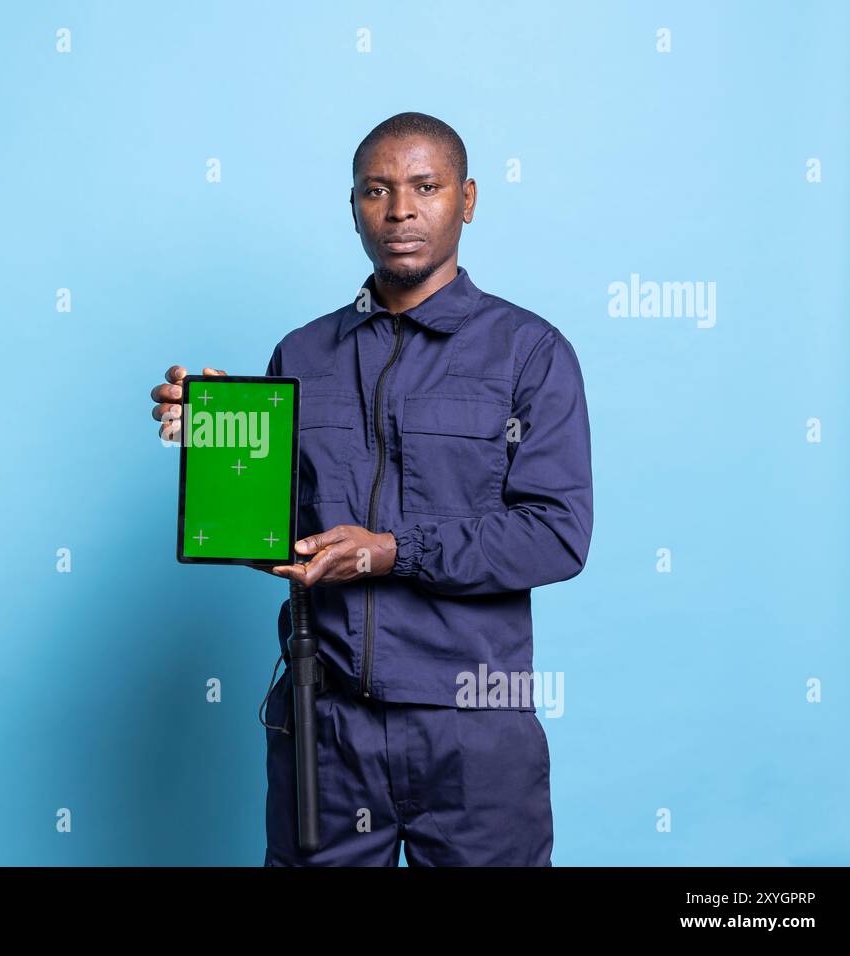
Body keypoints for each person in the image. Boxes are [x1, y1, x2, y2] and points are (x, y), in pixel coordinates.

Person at [149, 112, 593, 866]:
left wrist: (390, 552)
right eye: (376, 191)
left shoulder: (530, 352)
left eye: (426, 187)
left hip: (473, 726)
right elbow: (278, 537)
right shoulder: (302, 353)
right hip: (325, 725)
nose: (401, 211)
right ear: (353, 204)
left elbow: (555, 533)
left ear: (469, 199)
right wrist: (222, 439)